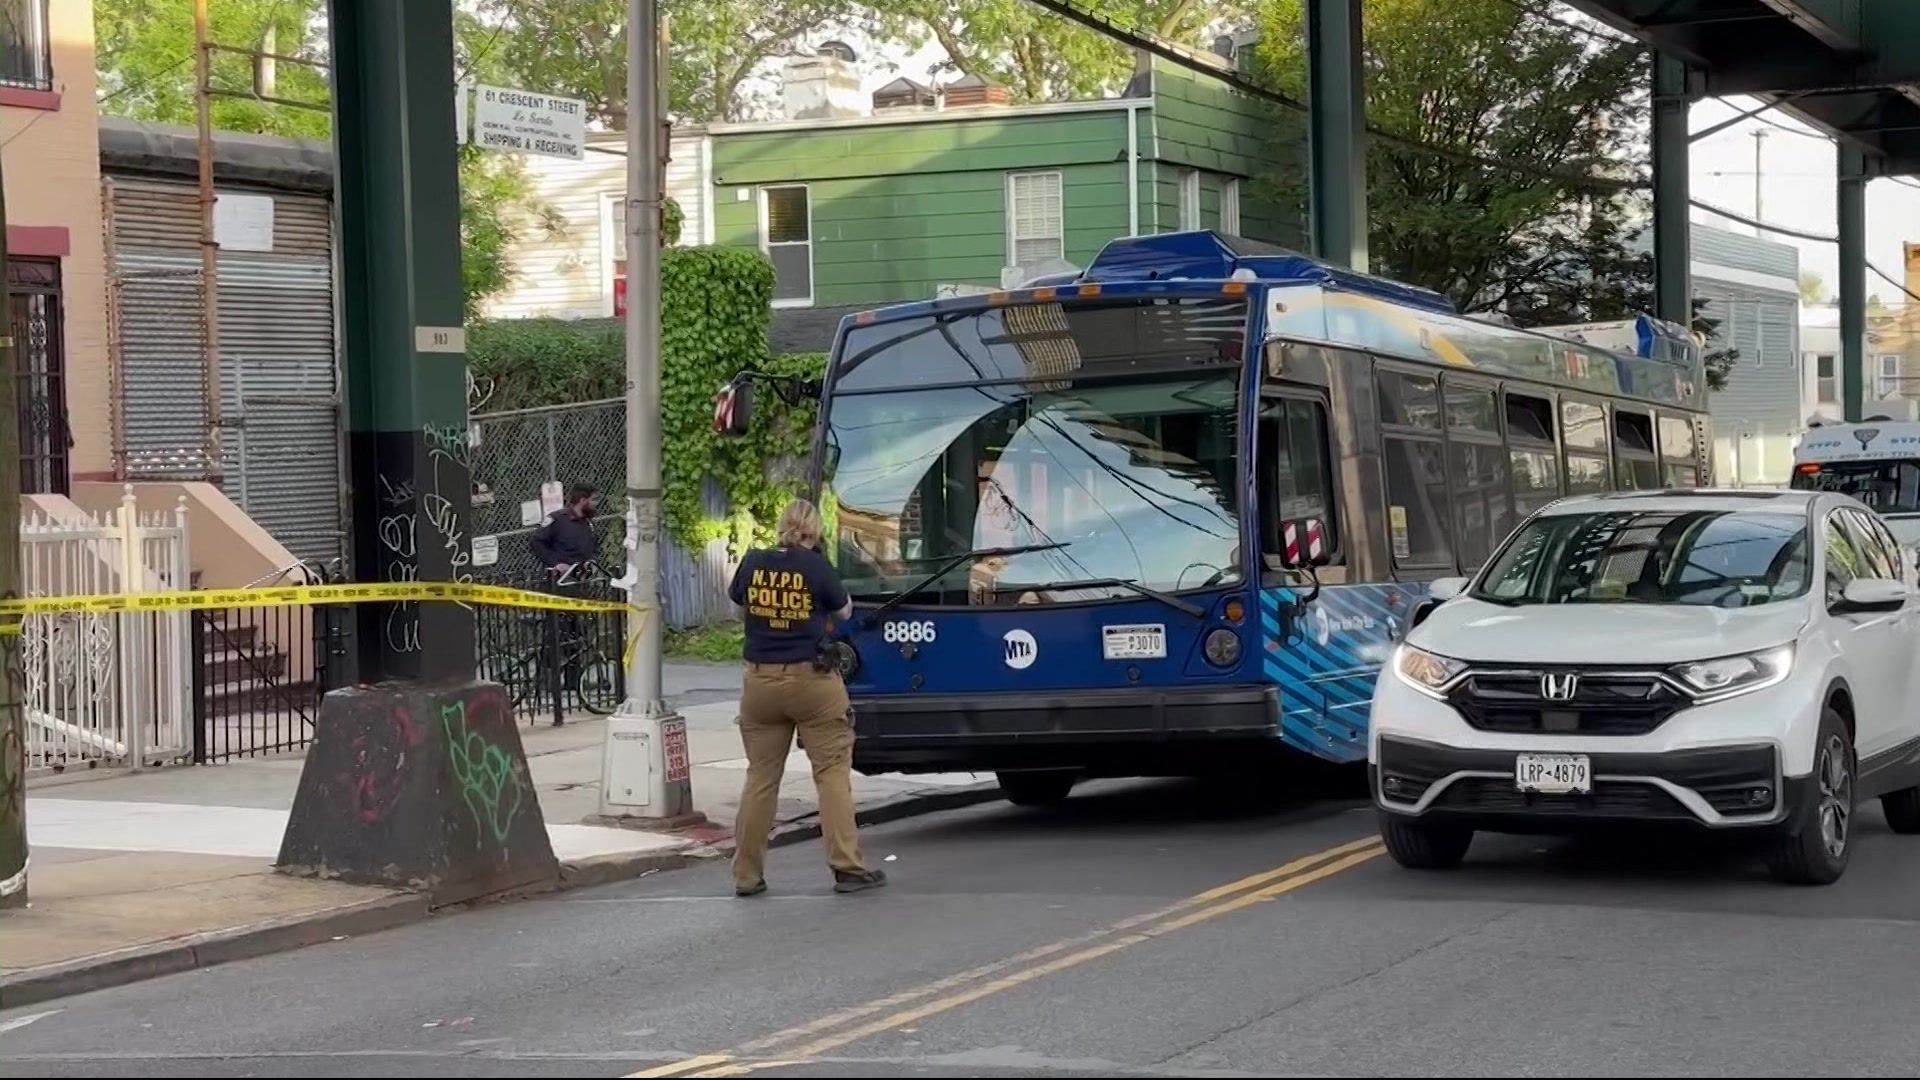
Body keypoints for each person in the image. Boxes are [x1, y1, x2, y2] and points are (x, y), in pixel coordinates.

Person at [726, 497, 886, 897]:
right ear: (815, 531)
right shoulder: (816, 566)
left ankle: (747, 874)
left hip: (759, 682)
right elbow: (845, 611)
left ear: (782, 524)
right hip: (811, 680)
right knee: (831, 772)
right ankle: (846, 867)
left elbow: (737, 610)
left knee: (760, 777)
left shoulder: (752, 561)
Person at [530, 483, 599, 578]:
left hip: (584, 576)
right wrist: (556, 563)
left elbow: (592, 546)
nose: (596, 503)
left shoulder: (587, 521)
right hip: (562, 578)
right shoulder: (558, 519)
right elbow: (537, 542)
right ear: (583, 500)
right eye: (593, 500)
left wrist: (593, 561)